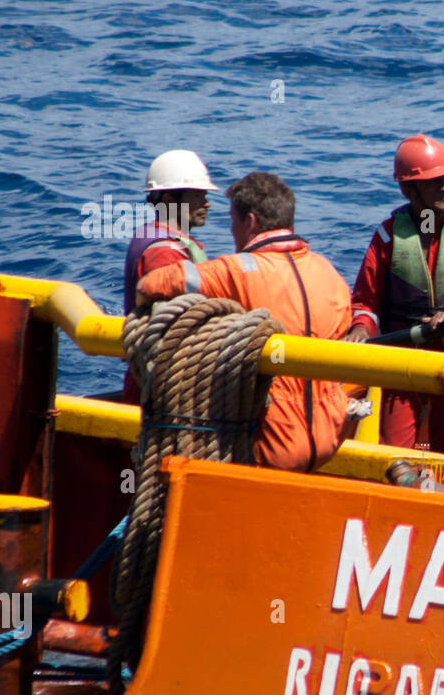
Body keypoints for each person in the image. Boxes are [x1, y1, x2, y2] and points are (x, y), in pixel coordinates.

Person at [136, 172, 352, 473]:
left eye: (233, 222)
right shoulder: (329, 273)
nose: (231, 229)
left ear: (250, 223)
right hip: (329, 438)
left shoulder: (237, 270)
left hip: (267, 442)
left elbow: (152, 284)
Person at [342, 134, 444, 458]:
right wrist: (360, 327)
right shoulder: (387, 235)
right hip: (405, 361)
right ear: (408, 190)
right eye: (434, 182)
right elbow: (366, 301)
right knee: (394, 454)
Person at [121, 149, 219, 403]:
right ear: (168, 200)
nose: (206, 203)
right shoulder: (164, 255)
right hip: (162, 392)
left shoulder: (152, 236)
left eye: (205, 195)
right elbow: (173, 330)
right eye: (197, 196)